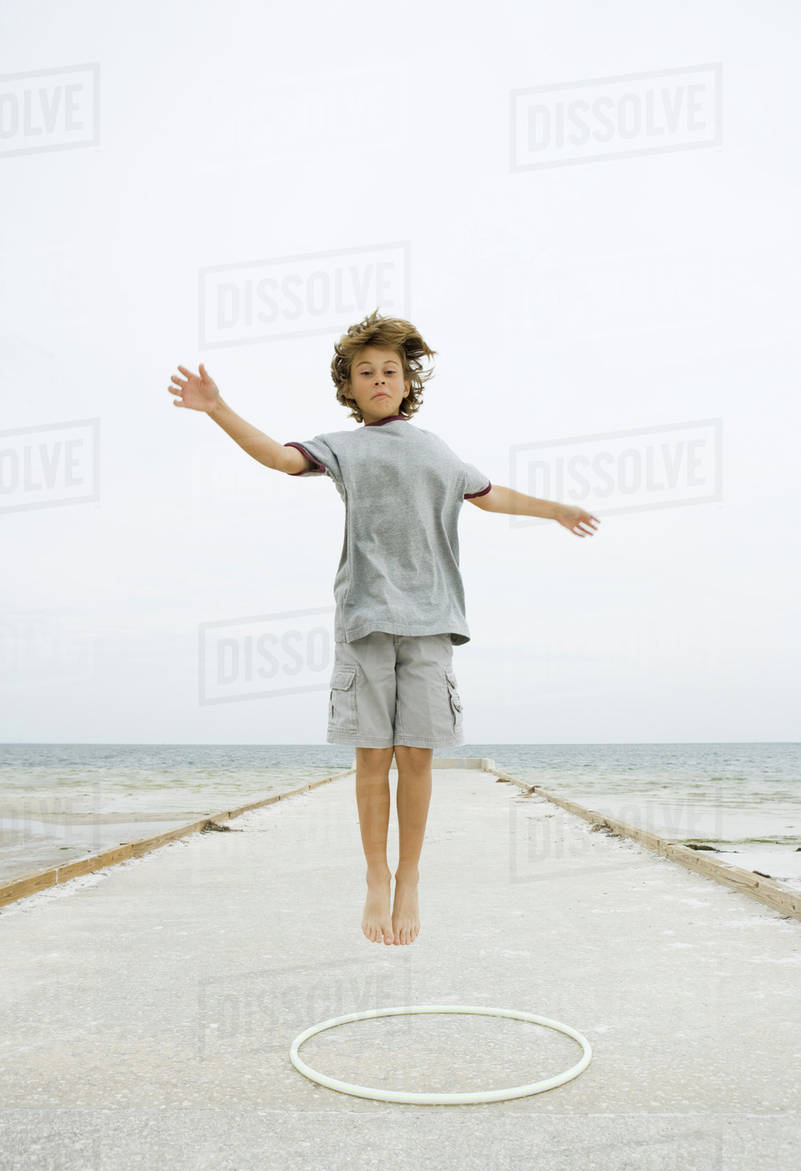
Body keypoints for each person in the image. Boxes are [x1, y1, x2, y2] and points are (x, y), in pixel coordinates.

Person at [168, 310, 600, 948]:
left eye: (389, 371)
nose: (378, 379)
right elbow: (280, 459)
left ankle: (410, 878)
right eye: (364, 372)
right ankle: (375, 875)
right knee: (372, 755)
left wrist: (556, 509)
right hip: (365, 619)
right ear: (349, 386)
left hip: (431, 622)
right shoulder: (344, 448)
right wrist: (218, 408)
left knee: (417, 758)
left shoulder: (435, 450)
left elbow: (491, 495)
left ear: (406, 382)